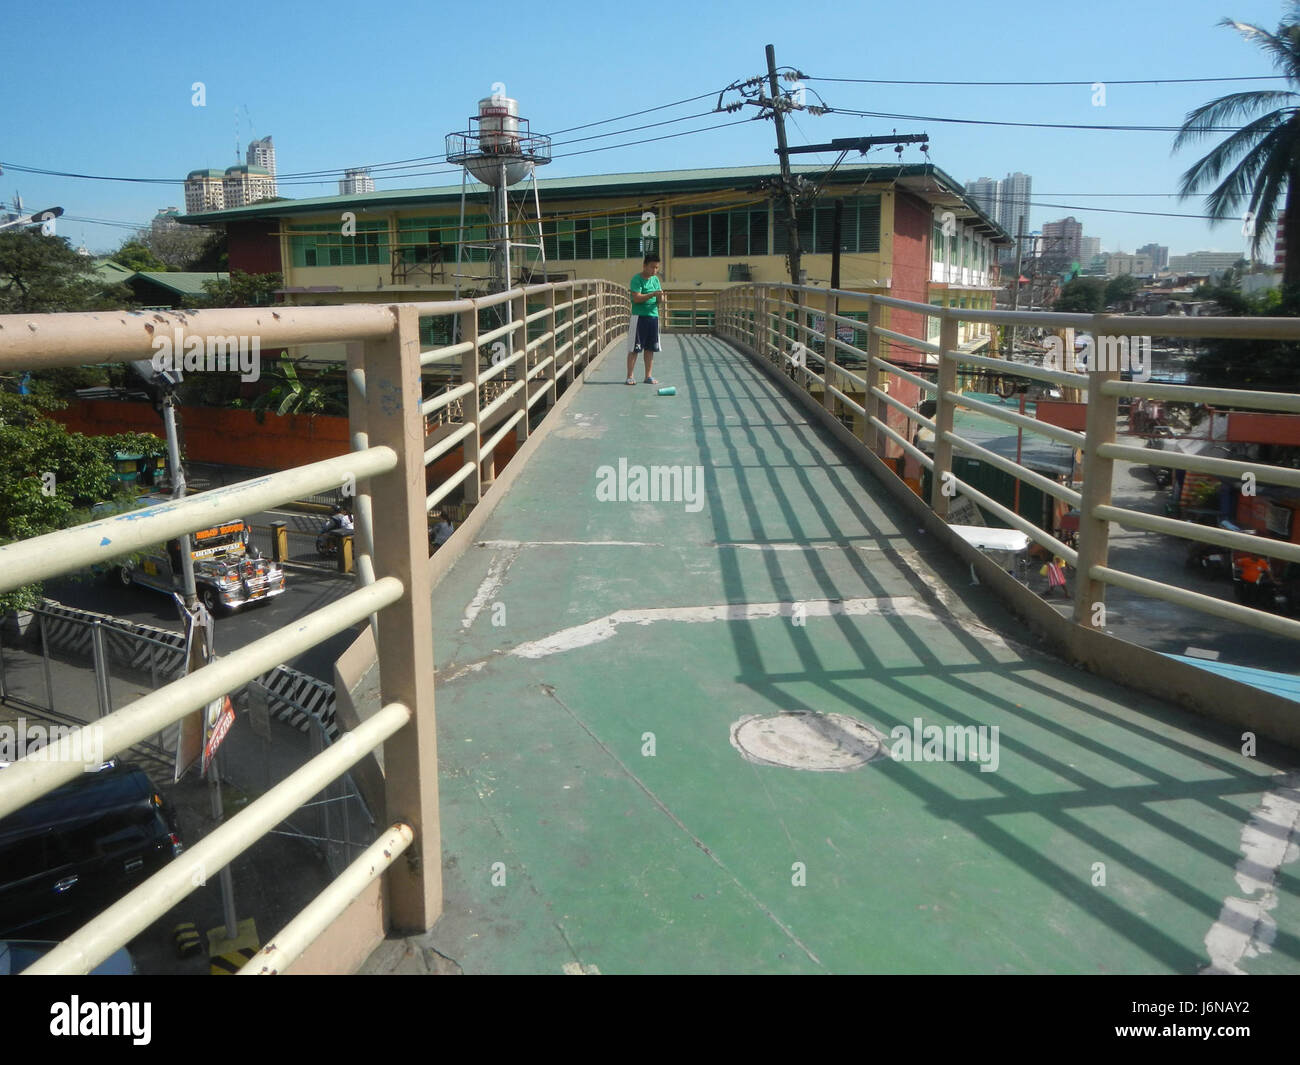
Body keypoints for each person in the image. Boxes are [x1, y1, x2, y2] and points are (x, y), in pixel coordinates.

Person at [627, 253, 666, 385]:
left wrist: (660, 296)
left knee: (650, 348)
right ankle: (630, 376)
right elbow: (636, 298)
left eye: (656, 268)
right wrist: (652, 295)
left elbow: (660, 301)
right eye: (652, 267)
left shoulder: (655, 280)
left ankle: (648, 376)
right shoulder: (636, 279)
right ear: (644, 266)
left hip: (653, 317)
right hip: (639, 317)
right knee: (635, 348)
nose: (654, 270)